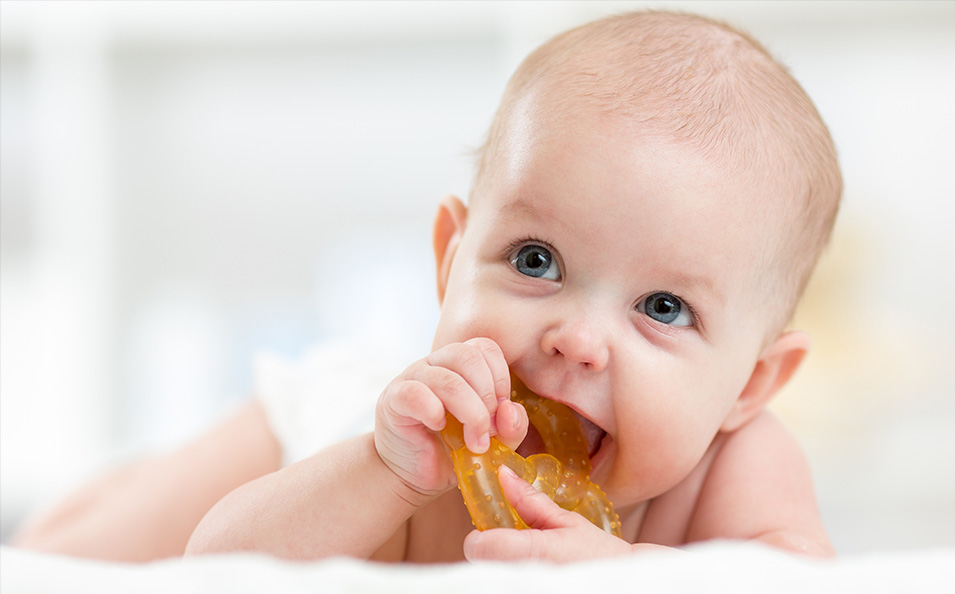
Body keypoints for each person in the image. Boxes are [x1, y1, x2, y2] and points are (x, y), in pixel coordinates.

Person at [14, 10, 840, 563]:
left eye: (663, 308)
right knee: (62, 554)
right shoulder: (403, 441)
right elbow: (217, 567)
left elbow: (796, 583)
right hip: (311, 433)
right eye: (535, 261)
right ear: (451, 258)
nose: (576, 340)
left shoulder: (736, 469)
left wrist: (629, 575)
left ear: (751, 383)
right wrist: (384, 470)